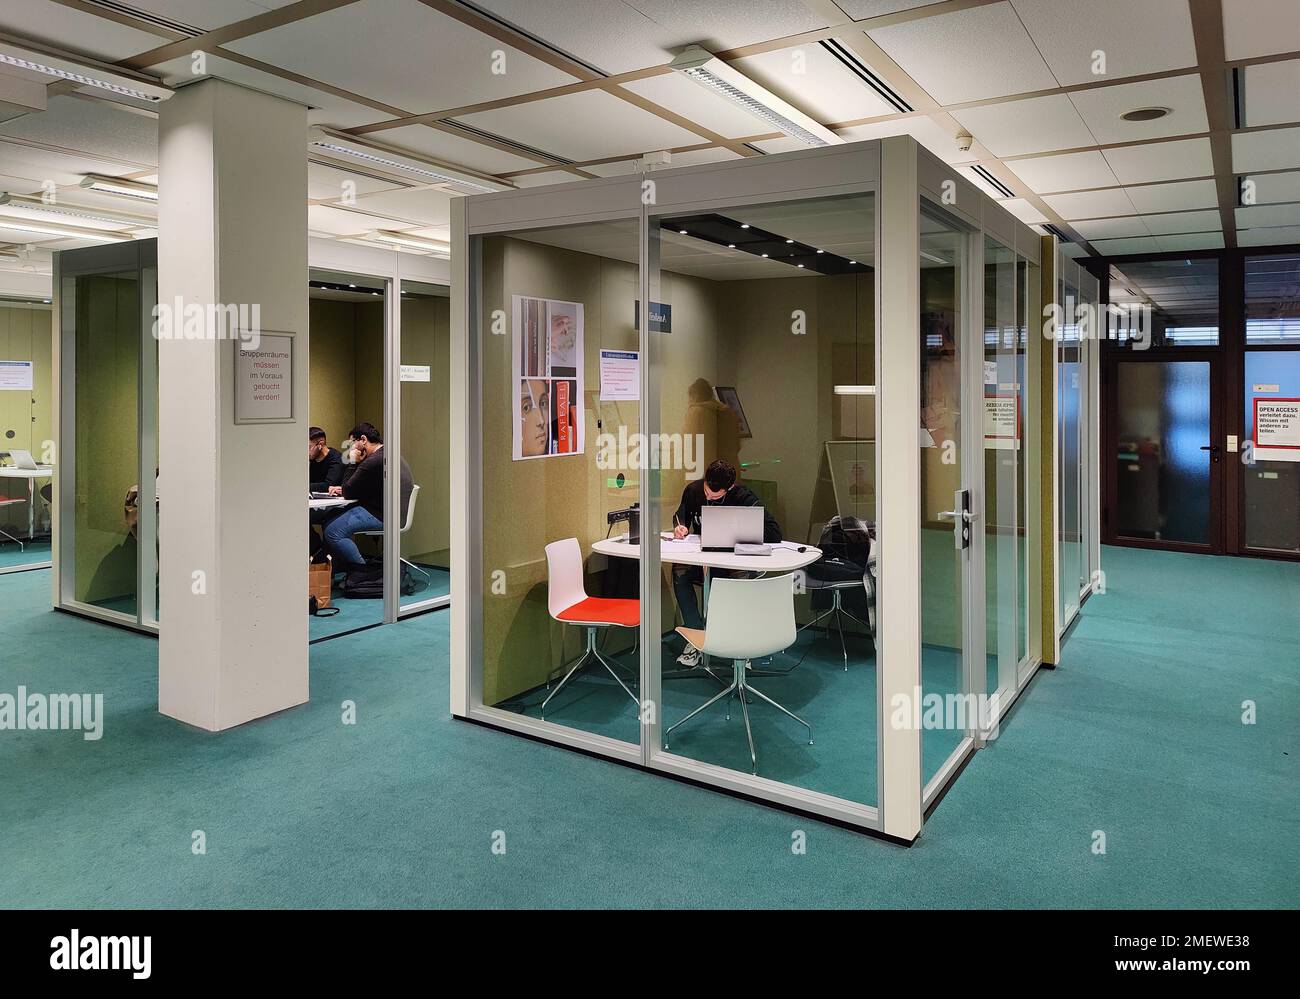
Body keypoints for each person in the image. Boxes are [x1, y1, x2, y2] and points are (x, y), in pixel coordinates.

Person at [670, 459, 781, 666]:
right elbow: (680, 515)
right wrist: (680, 526)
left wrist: (742, 532)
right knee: (679, 570)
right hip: (702, 559)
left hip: (733, 561)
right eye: (707, 491)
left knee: (739, 574)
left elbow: (774, 532)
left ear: (729, 487)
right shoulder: (693, 490)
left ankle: (737, 641)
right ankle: (696, 637)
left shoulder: (744, 497)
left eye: (716, 495)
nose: (709, 497)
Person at [322, 422, 413, 571]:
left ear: (363, 440)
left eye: (352, 444)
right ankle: (339, 569)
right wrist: (346, 488)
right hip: (389, 510)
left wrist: (352, 462)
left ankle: (363, 574)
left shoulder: (373, 461)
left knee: (333, 531)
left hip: (386, 516)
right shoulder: (386, 454)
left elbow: (348, 491)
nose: (351, 449)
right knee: (330, 517)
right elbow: (354, 487)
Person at [309, 427, 344, 560]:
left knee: (303, 518)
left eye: (309, 446)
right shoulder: (312, 461)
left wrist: (301, 487)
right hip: (318, 504)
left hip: (337, 507)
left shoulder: (336, 459)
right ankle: (318, 551)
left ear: (321, 444)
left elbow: (327, 485)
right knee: (296, 516)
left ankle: (320, 554)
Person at [309, 427, 343, 492]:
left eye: (309, 447)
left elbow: (329, 485)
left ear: (320, 444)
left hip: (335, 500)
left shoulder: (337, 458)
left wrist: (303, 486)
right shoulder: (312, 458)